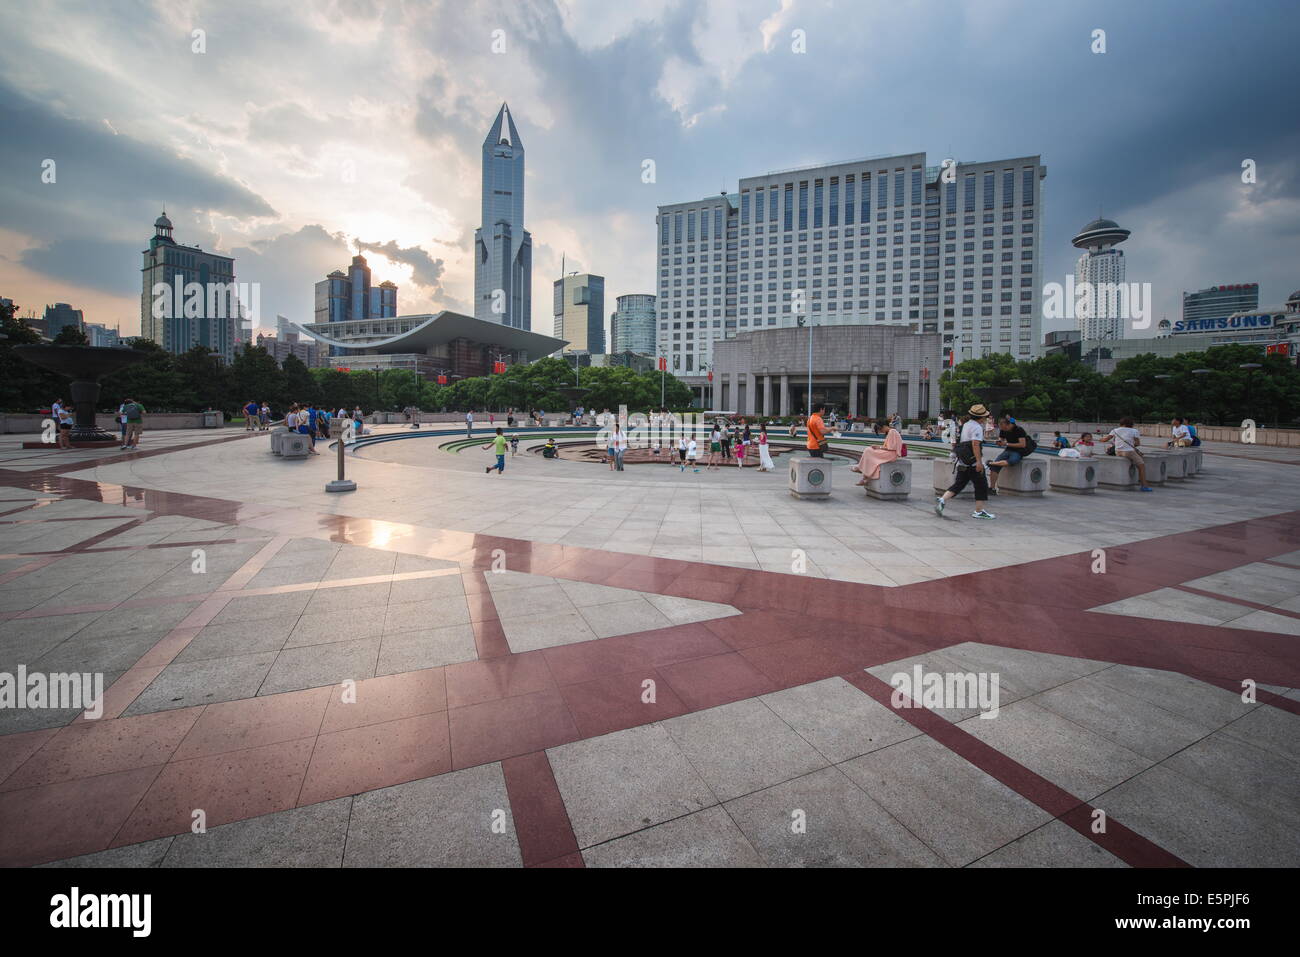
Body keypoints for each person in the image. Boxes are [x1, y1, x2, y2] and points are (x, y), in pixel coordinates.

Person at [935, 404, 996, 520]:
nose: (985, 419)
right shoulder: (977, 427)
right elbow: (975, 444)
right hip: (972, 461)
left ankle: (942, 499)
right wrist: (979, 462)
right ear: (981, 417)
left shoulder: (966, 425)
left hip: (963, 460)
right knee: (981, 485)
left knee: (959, 484)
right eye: (984, 417)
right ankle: (979, 511)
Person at [1097, 417, 1153, 491]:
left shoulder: (1115, 430)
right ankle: (1144, 485)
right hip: (1129, 452)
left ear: (1121, 423)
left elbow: (1105, 440)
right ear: (1131, 424)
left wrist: (1100, 439)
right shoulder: (1134, 431)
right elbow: (1137, 443)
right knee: (1141, 465)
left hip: (1118, 451)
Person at [987, 414, 1037, 494]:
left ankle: (992, 463)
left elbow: (1022, 444)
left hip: (1018, 451)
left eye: (1003, 428)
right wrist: (999, 442)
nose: (1002, 430)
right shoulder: (1003, 429)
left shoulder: (1019, 430)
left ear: (1007, 425)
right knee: (994, 468)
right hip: (1008, 450)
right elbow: (1002, 438)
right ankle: (992, 488)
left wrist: (1006, 444)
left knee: (1013, 460)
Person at [852, 419, 902, 486]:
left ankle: (862, 471)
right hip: (890, 453)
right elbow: (890, 447)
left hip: (891, 454)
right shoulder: (892, 431)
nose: (881, 431)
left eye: (880, 429)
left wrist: (879, 447)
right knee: (869, 451)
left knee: (868, 450)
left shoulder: (892, 431)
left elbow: (891, 448)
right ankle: (865, 477)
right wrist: (879, 447)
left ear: (884, 426)